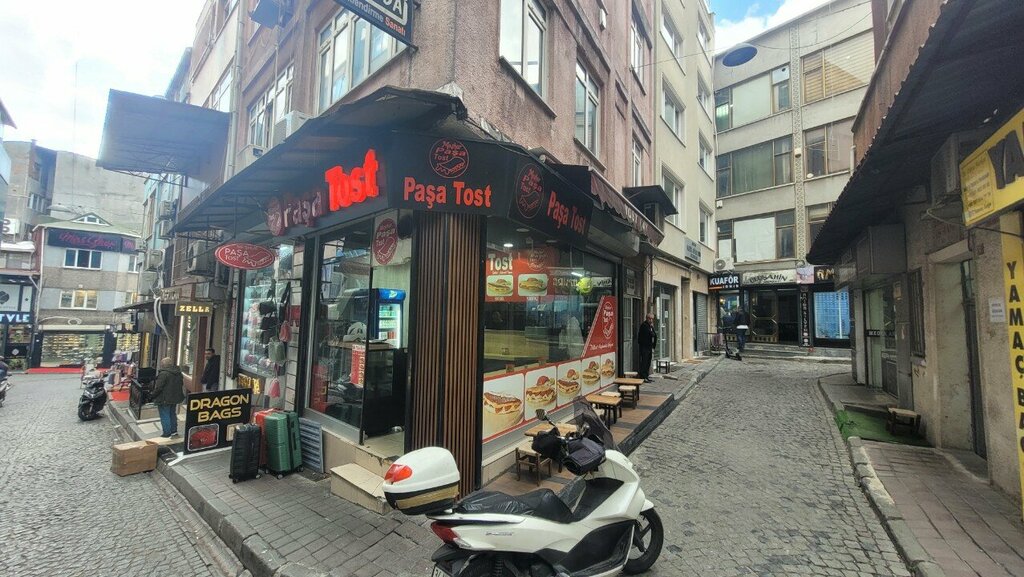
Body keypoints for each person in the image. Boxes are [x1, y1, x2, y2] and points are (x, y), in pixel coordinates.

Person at [151, 357, 185, 438]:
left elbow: (159, 387)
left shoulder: (163, 374)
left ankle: (166, 433)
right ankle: (174, 431)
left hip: (164, 398)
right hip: (175, 397)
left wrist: (152, 395)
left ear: (163, 365)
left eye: (161, 364)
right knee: (172, 414)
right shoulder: (178, 373)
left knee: (165, 415)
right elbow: (181, 384)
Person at [636, 313, 657, 383]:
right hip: (644, 347)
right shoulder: (644, 325)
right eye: (650, 319)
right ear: (647, 318)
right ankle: (643, 377)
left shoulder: (650, 326)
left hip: (649, 347)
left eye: (652, 319)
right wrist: (652, 332)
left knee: (648, 362)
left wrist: (653, 347)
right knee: (644, 362)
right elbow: (651, 334)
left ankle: (646, 376)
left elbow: (655, 335)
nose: (651, 320)